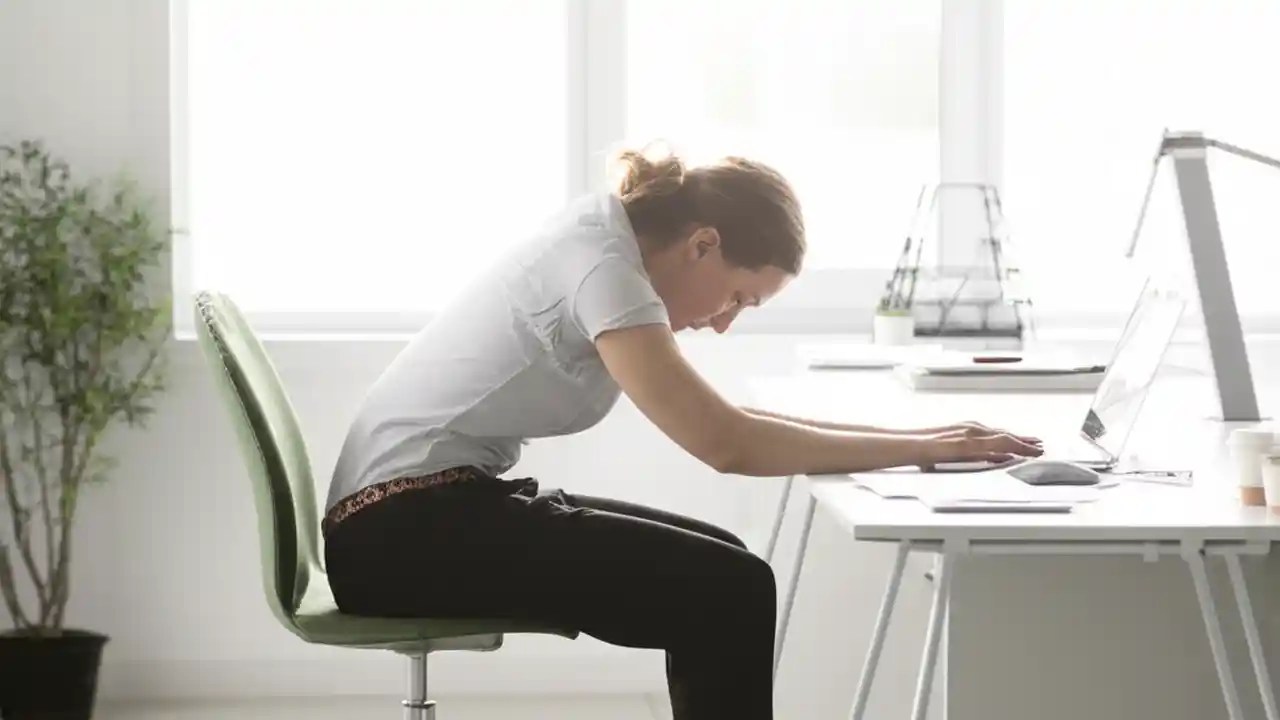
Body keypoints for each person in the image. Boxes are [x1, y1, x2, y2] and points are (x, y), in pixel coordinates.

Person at [322, 144, 1043, 719]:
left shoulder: (604, 244)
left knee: (725, 563)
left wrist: (919, 441)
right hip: (404, 533)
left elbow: (735, 424)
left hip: (422, 514)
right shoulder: (605, 268)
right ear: (703, 244)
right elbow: (725, 443)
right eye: (738, 296)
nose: (725, 322)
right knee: (731, 590)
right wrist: (917, 450)